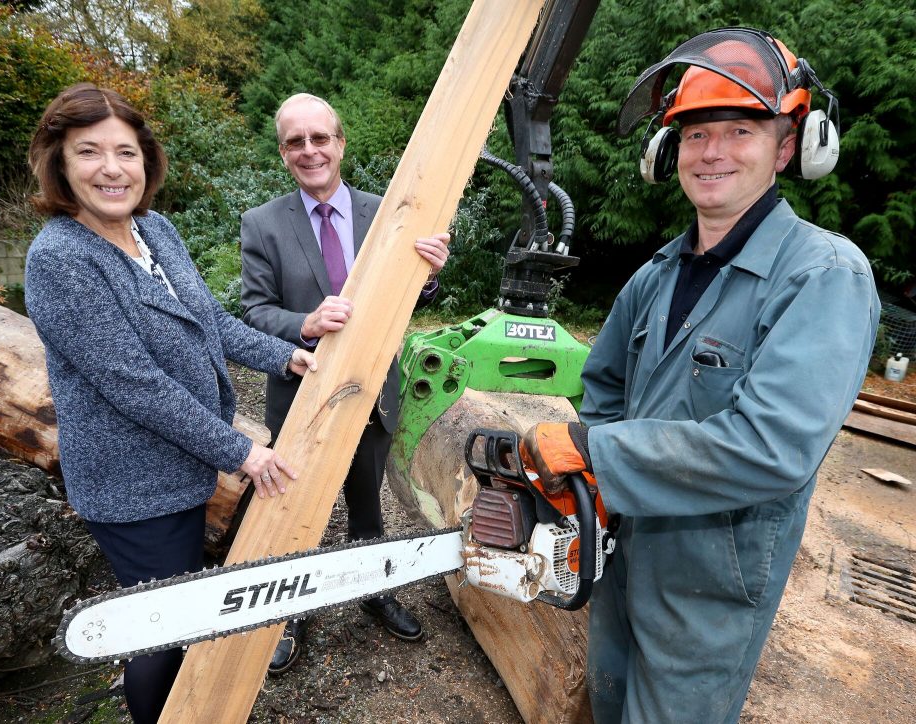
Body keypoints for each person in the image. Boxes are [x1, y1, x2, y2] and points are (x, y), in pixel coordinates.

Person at [517, 29, 880, 723]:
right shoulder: (657, 275)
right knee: (606, 703)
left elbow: (771, 446)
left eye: (739, 130)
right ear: (667, 153)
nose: (711, 152)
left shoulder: (822, 276)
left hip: (712, 579)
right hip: (623, 551)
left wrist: (598, 455)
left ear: (788, 147)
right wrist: (592, 479)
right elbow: (605, 386)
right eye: (693, 135)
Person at [24, 83, 316, 723]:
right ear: (60, 163)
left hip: (179, 469)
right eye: (89, 152)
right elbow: (134, 383)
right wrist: (242, 451)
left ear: (146, 162)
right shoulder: (61, 258)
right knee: (161, 627)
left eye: (126, 152)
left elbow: (209, 318)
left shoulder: (155, 230)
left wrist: (284, 355)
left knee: (182, 613)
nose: (111, 168)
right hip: (131, 485)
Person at [239, 93, 450, 675]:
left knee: (367, 498)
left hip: (375, 389)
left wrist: (428, 277)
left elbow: (411, 297)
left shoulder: (390, 213)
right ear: (283, 153)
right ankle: (291, 610)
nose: (309, 151)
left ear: (340, 143)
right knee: (296, 509)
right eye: (295, 142)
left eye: (319, 138)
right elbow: (253, 310)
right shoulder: (262, 224)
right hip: (302, 394)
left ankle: (374, 590)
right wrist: (303, 324)